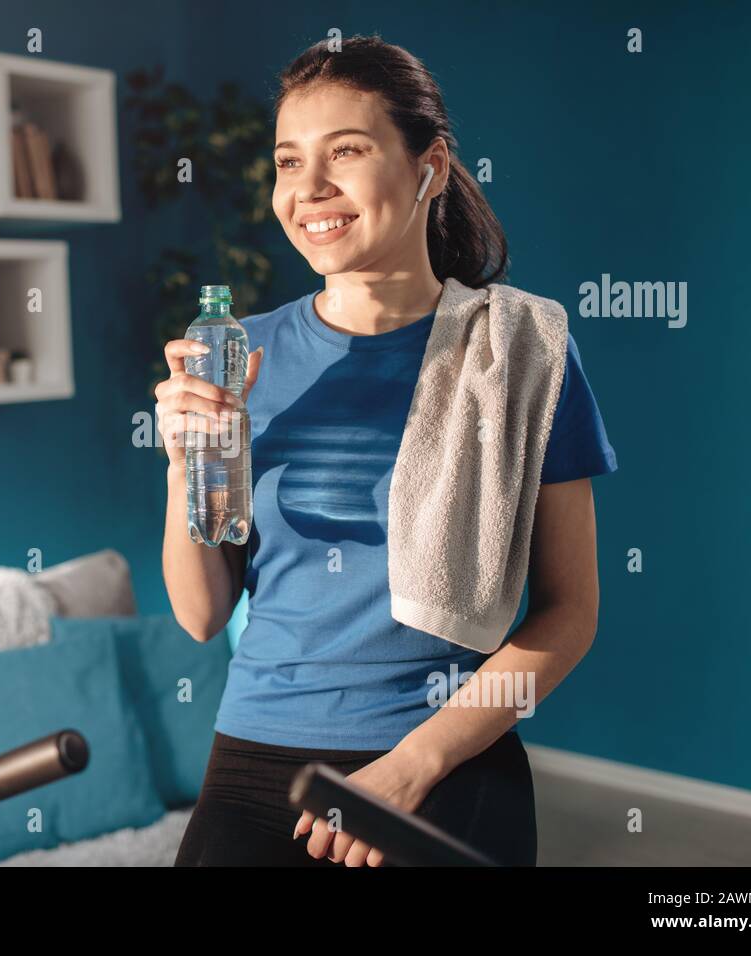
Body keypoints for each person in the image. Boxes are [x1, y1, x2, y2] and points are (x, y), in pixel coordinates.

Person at [159, 35, 618, 867]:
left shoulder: (516, 351)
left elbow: (569, 612)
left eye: (347, 151)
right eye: (288, 162)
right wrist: (187, 458)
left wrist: (413, 767)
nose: (310, 190)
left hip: (443, 760)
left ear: (429, 165)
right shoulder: (234, 352)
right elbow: (200, 616)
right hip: (254, 755)